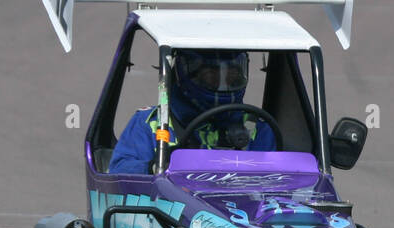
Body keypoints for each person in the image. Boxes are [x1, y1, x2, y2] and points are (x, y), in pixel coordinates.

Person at [108, 49, 276, 174]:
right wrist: (156, 166)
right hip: (169, 217)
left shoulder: (256, 128)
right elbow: (118, 171)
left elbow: (278, 179)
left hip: (240, 216)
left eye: (231, 75)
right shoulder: (152, 122)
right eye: (212, 74)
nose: (223, 82)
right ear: (184, 74)